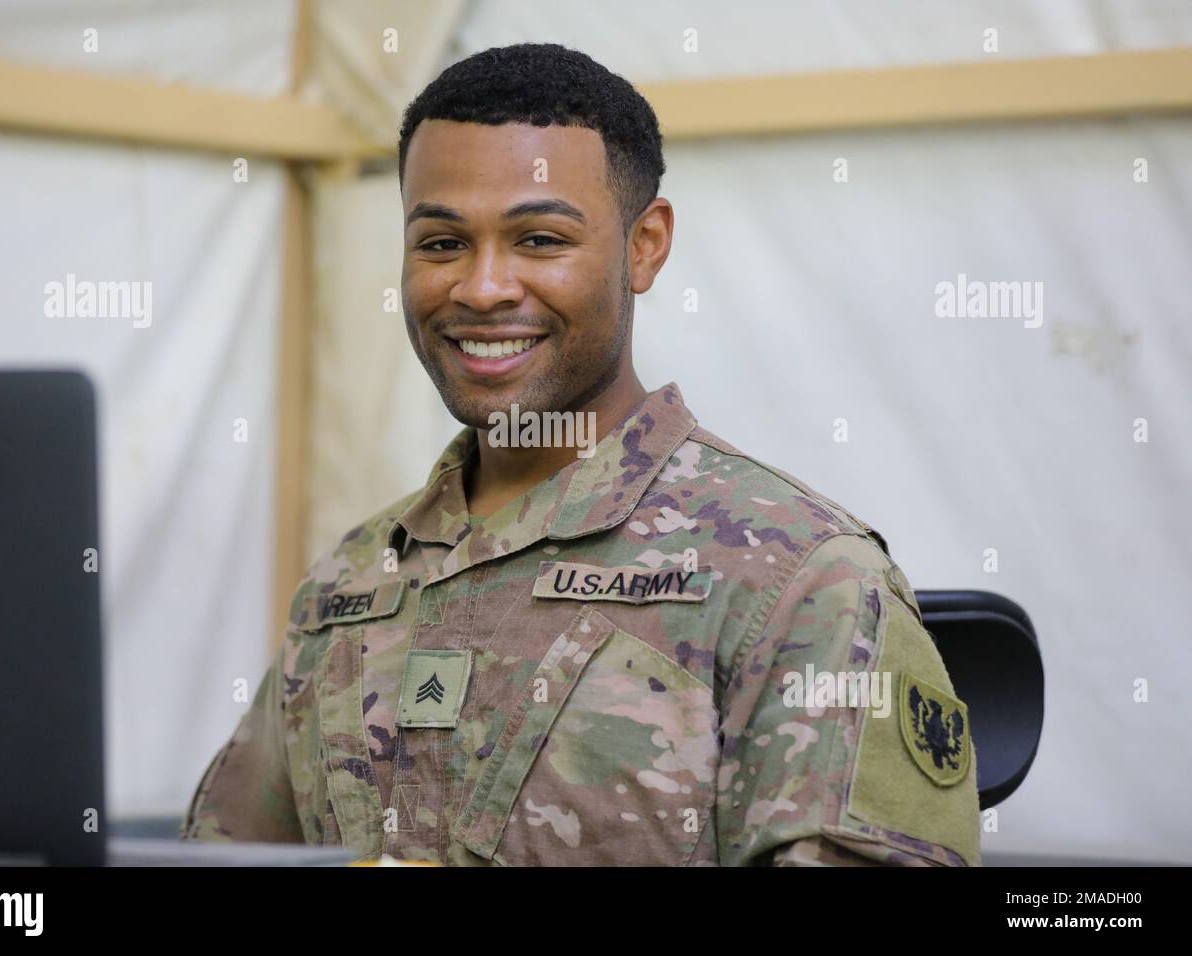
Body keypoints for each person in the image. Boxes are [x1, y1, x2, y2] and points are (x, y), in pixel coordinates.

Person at [180, 42, 981, 866]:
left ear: (645, 246)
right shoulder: (350, 582)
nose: (482, 288)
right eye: (442, 243)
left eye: (539, 239)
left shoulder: (799, 581)